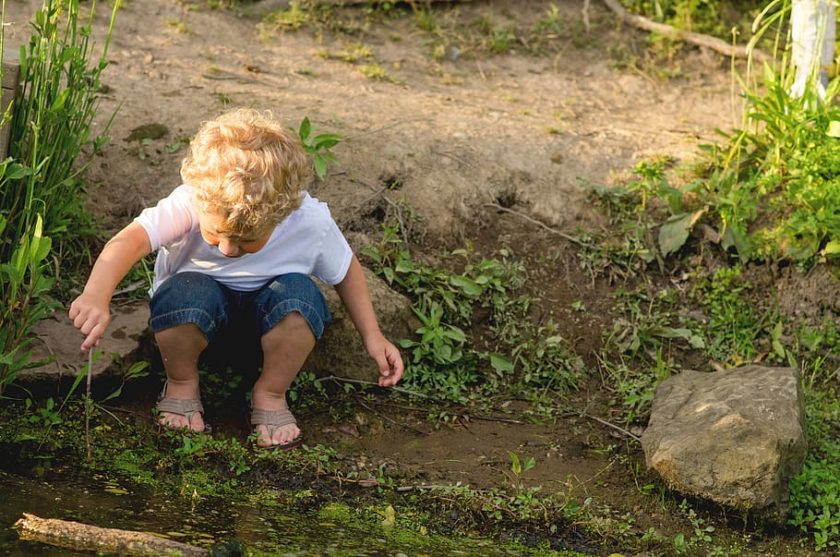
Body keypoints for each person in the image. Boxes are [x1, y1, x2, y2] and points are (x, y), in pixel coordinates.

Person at [68, 108, 404, 449]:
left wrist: (372, 335)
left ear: (283, 214)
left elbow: (346, 270)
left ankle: (271, 393)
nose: (228, 249)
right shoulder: (192, 201)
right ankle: (182, 382)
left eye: (247, 240)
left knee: (300, 297)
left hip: (268, 319)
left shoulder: (308, 220)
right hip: (194, 317)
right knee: (185, 291)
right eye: (216, 233)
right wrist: (96, 294)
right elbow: (131, 239)